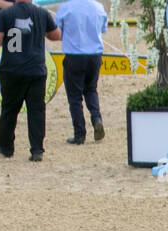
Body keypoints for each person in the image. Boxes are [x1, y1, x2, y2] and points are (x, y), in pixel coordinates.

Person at [0, 0, 60, 160]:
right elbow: (55, 35)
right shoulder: (41, 13)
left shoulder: (5, 14)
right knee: (37, 110)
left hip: (11, 69)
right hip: (36, 69)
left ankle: (6, 146)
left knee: (9, 110)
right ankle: (37, 149)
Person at [55, 0, 106, 144]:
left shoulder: (65, 8)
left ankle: (80, 134)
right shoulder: (98, 7)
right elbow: (103, 29)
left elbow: (57, 34)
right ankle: (97, 119)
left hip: (74, 55)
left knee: (75, 97)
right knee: (91, 89)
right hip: (95, 55)